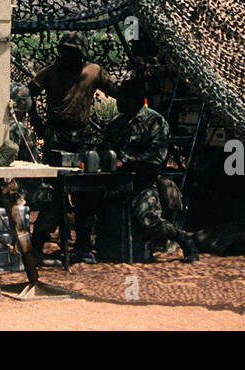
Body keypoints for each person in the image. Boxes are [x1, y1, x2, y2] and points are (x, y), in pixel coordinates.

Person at [26, 32, 118, 263]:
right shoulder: (49, 73)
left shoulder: (93, 72)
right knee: (52, 191)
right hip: (56, 136)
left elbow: (119, 93)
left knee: (86, 191)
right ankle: (37, 244)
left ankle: (83, 246)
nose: (69, 56)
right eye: (65, 51)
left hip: (83, 138)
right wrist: (37, 123)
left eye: (74, 52)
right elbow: (26, 95)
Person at [103, 74, 200, 262]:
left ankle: (183, 238)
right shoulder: (117, 123)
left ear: (134, 100)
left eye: (122, 98)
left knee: (148, 220)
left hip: (144, 183)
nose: (118, 102)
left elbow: (155, 159)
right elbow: (105, 148)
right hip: (115, 183)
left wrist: (125, 161)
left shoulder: (155, 122)